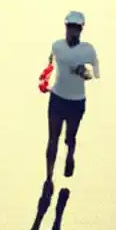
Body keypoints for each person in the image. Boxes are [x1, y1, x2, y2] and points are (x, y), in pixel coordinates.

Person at [45, 11, 99, 182]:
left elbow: (95, 73)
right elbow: (50, 65)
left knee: (70, 137)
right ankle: (49, 177)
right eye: (70, 26)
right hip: (57, 98)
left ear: (81, 29)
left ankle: (70, 155)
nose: (73, 31)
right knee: (53, 139)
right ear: (65, 27)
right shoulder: (57, 46)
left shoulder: (88, 50)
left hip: (76, 102)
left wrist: (84, 72)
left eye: (77, 27)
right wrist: (44, 80)